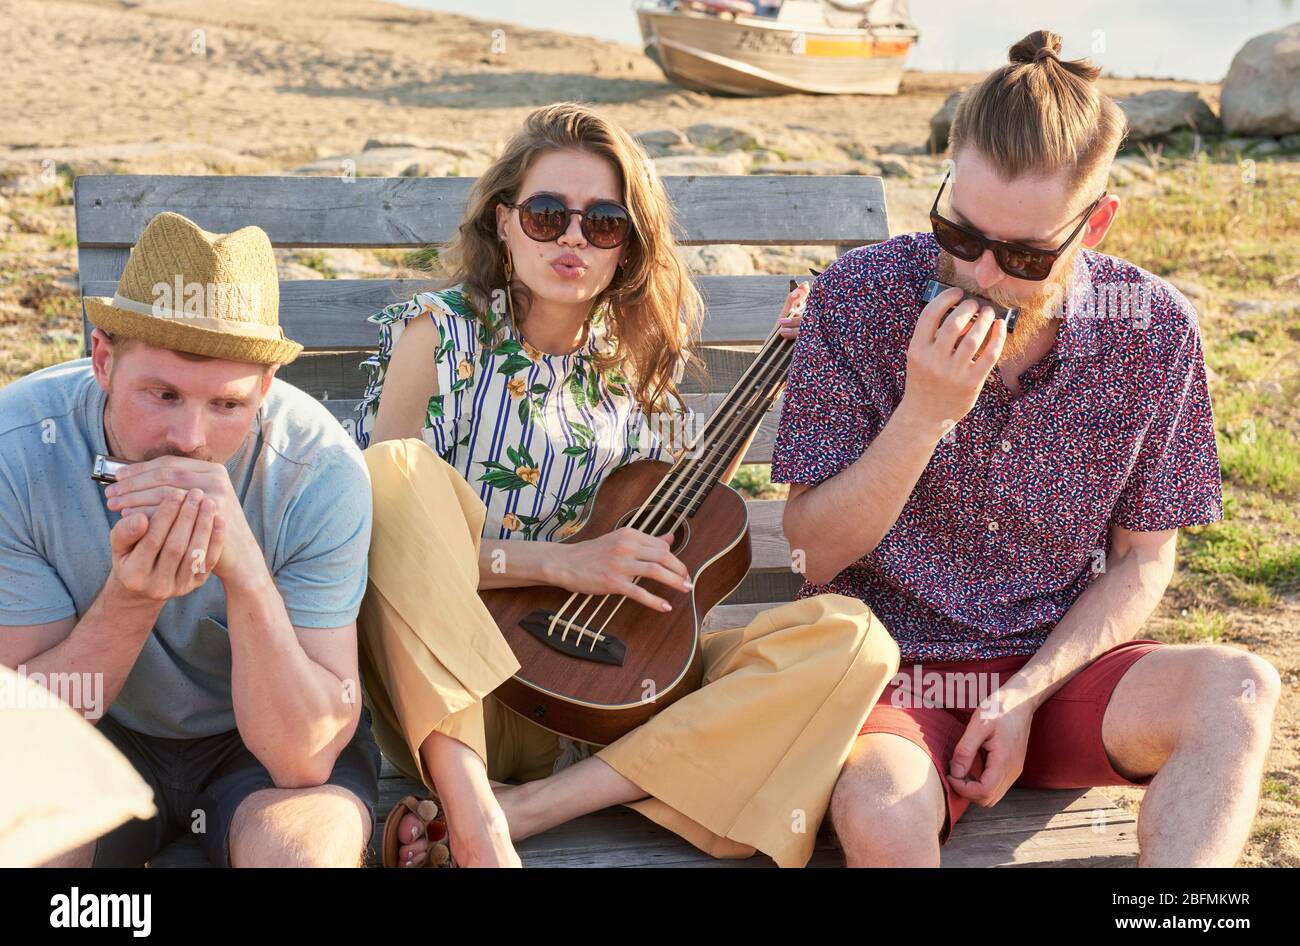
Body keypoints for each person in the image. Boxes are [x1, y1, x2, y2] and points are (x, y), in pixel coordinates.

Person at [774, 29, 1280, 867]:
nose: (982, 276)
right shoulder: (856, 299)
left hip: (1057, 667)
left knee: (1241, 688)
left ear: (1097, 224)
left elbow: (1144, 560)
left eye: (1026, 255)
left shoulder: (1150, 328)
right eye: (959, 233)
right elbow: (809, 549)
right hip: (886, 671)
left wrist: (1023, 693)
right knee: (878, 803)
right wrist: (924, 416)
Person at [353, 101, 900, 868]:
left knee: (852, 640)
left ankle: (526, 812)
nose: (573, 237)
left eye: (603, 223)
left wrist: (779, 364)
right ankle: (476, 810)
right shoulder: (435, 336)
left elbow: (672, 515)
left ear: (626, 250)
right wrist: (560, 563)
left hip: (602, 702)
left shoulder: (632, 372)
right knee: (392, 477)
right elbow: (376, 539)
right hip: (460, 704)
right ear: (504, 224)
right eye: (548, 215)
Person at [0, 211, 379, 867]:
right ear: (103, 360)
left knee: (309, 853)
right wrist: (132, 597)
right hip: (99, 735)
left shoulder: (321, 472)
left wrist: (247, 575)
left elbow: (304, 756)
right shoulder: (19, 451)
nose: (190, 438)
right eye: (163, 392)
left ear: (265, 389)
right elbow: (26, 734)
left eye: (227, 405)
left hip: (256, 751)